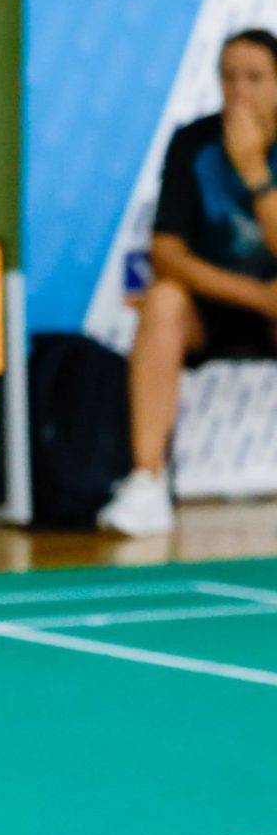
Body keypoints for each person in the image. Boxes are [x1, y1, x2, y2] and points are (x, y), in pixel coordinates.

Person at [100, 28, 277, 536]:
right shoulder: (192, 142)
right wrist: (256, 296)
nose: (238, 91)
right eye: (228, 77)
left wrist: (254, 171)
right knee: (161, 300)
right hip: (214, 304)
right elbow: (166, 253)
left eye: (254, 77)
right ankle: (146, 482)